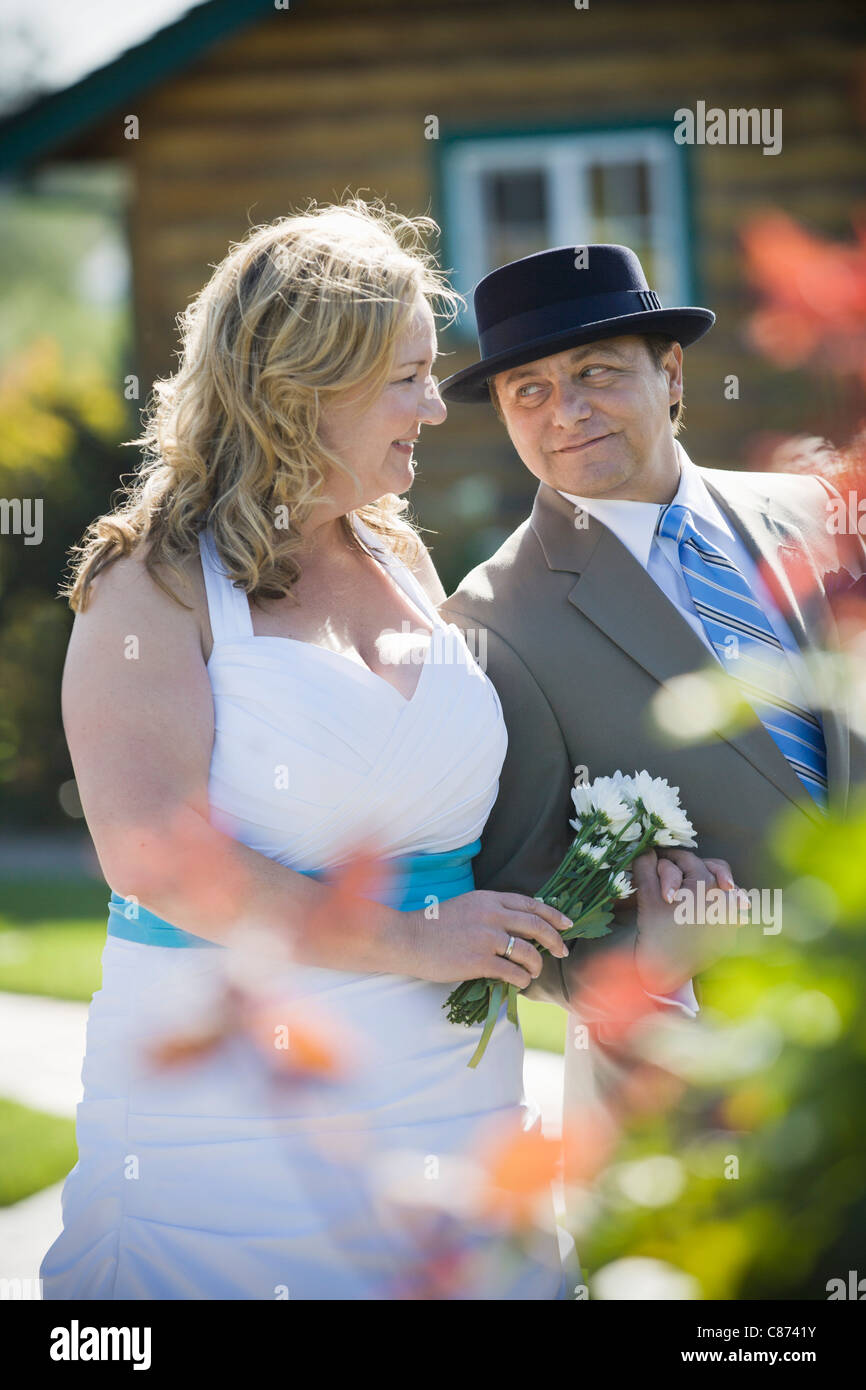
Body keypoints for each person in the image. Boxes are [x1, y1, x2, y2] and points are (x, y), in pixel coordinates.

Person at [39, 203, 723, 1302]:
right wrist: (415, 943)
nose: (430, 409)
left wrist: (613, 892)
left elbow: (451, 822)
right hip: (237, 1128)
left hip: (455, 1097)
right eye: (405, 378)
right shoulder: (155, 580)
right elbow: (156, 859)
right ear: (308, 384)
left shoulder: (400, 553)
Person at [438, 243, 866, 1133]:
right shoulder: (490, 622)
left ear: (671, 373)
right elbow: (526, 910)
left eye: (596, 372)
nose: (569, 412)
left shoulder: (821, 513)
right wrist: (657, 960)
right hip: (712, 1100)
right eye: (531, 390)